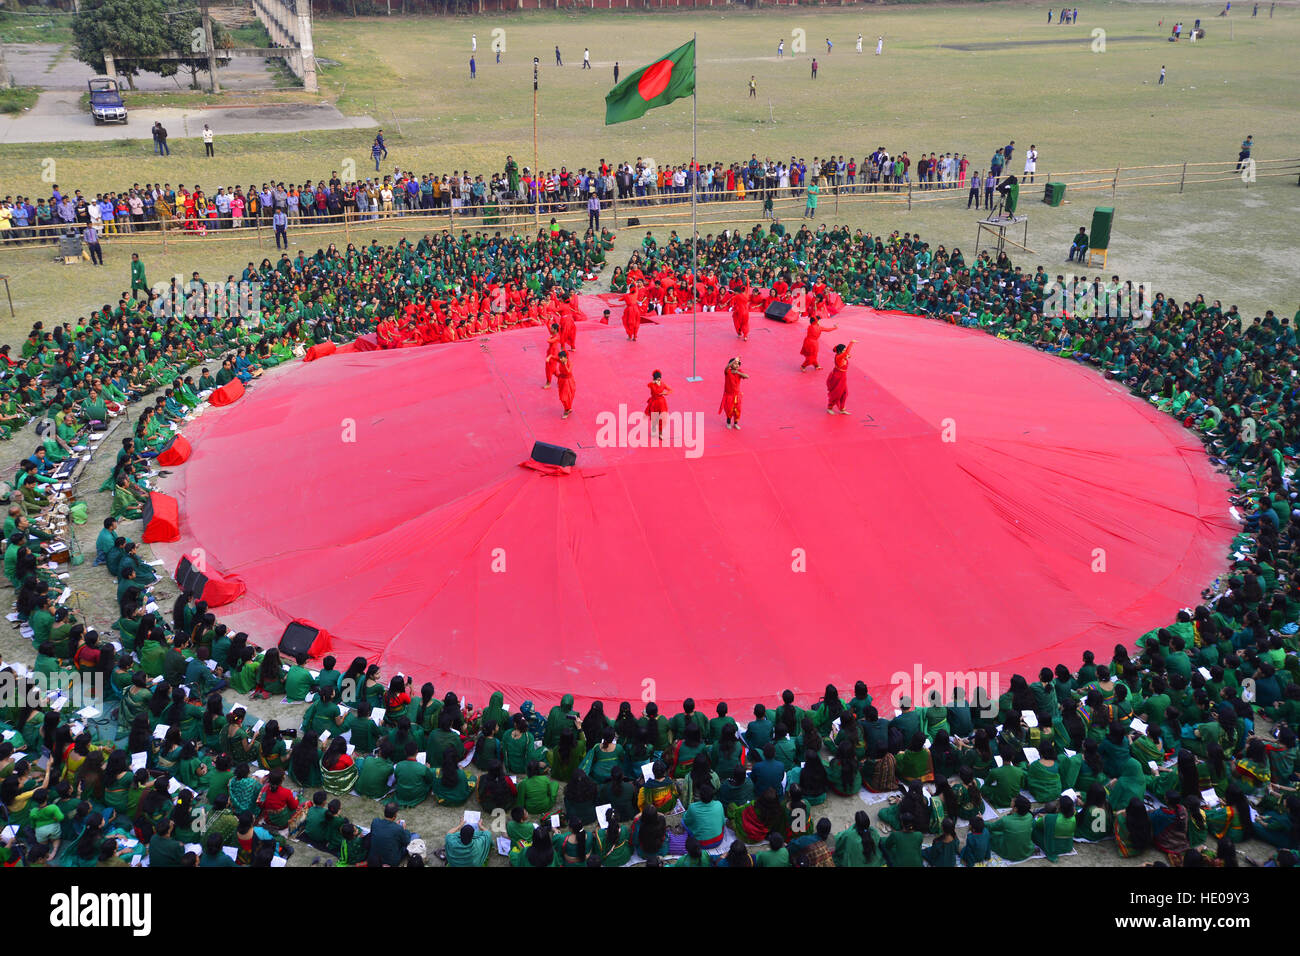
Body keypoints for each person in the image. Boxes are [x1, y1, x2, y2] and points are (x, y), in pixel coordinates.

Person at [825, 340, 856, 414]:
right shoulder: (839, 357)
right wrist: (851, 343)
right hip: (838, 377)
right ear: (840, 351)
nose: (845, 351)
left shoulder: (842, 355)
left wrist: (848, 355)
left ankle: (842, 409)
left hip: (843, 376)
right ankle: (829, 407)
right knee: (837, 393)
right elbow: (846, 353)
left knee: (845, 393)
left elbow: (847, 354)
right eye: (844, 350)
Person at [719, 357, 747, 430]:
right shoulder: (727, 372)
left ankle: (735, 424)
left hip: (737, 395)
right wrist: (734, 360)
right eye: (735, 364)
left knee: (738, 410)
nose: (737, 365)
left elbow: (747, 376)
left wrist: (738, 372)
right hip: (729, 395)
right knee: (729, 410)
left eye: (738, 364)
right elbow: (726, 367)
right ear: (731, 365)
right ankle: (728, 423)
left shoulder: (739, 372)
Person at [645, 370, 671, 438]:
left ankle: (660, 434)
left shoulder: (663, 384)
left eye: (659, 378)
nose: (659, 380)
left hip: (661, 404)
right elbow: (648, 385)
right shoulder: (652, 384)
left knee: (661, 419)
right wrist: (653, 382)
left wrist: (665, 393)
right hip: (654, 403)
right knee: (654, 418)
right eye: (657, 378)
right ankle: (653, 431)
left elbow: (670, 390)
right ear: (655, 378)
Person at [556, 350, 575, 419]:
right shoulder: (561, 362)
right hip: (562, 381)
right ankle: (568, 408)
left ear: (566, 357)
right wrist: (550, 357)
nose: (560, 359)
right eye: (560, 358)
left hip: (568, 382)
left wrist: (564, 365)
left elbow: (568, 372)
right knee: (562, 397)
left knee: (564, 397)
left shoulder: (570, 363)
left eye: (561, 358)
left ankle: (566, 410)